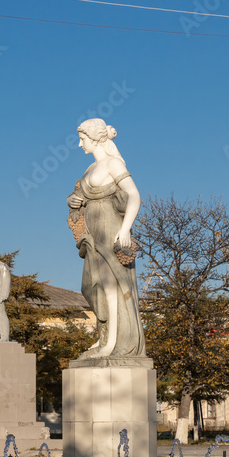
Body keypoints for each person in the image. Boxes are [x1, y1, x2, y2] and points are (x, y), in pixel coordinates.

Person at [66, 118, 146, 359]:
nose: (80, 144)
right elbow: (79, 197)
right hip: (92, 234)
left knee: (112, 284)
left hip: (110, 228)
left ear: (96, 138)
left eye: (83, 139)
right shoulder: (89, 170)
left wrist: (125, 229)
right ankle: (104, 337)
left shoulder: (113, 164)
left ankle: (114, 342)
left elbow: (134, 195)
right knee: (92, 286)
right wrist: (71, 201)